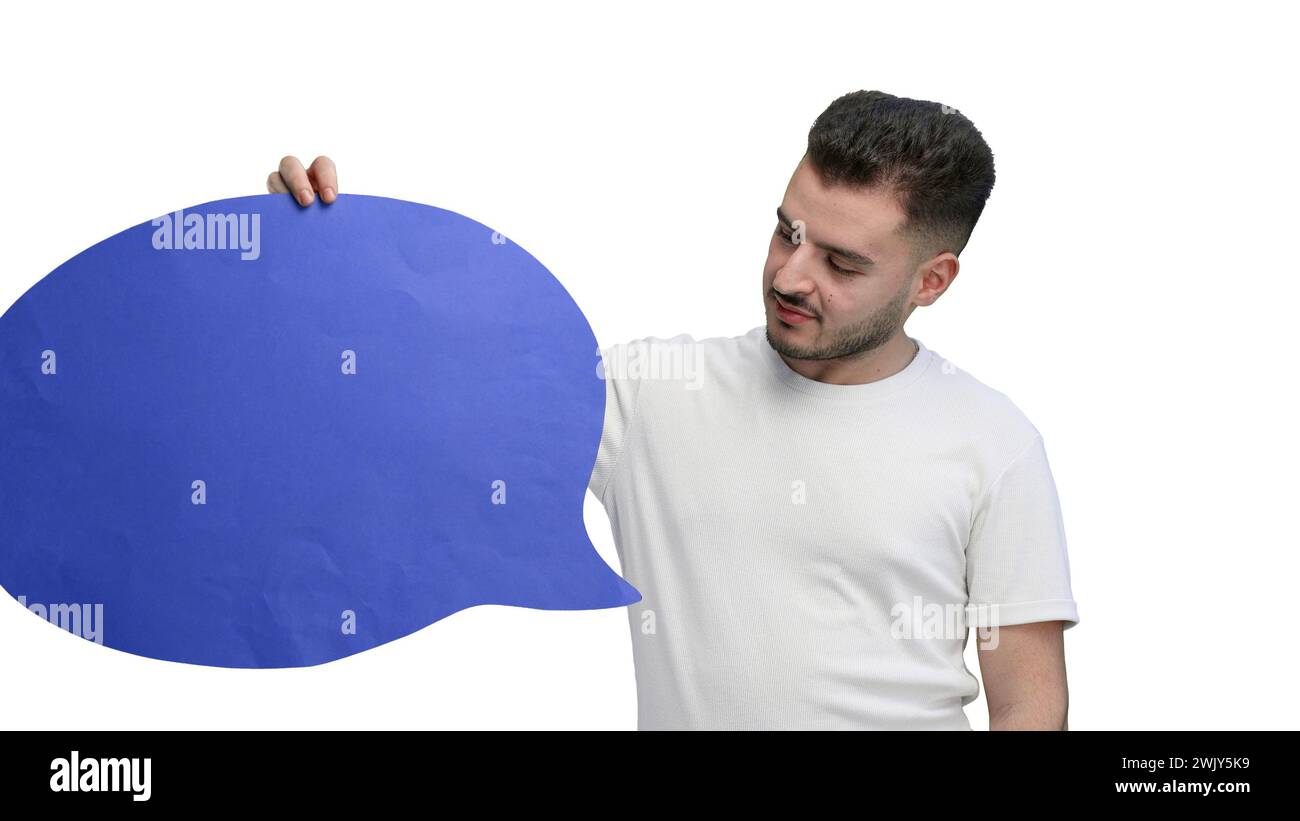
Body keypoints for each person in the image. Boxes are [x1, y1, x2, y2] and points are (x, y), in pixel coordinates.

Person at [267, 89, 1078, 731]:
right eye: (787, 231)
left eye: (841, 261)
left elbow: (1028, 706)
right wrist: (318, 263)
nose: (792, 275)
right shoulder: (651, 394)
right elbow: (406, 405)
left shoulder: (993, 445)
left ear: (930, 281)